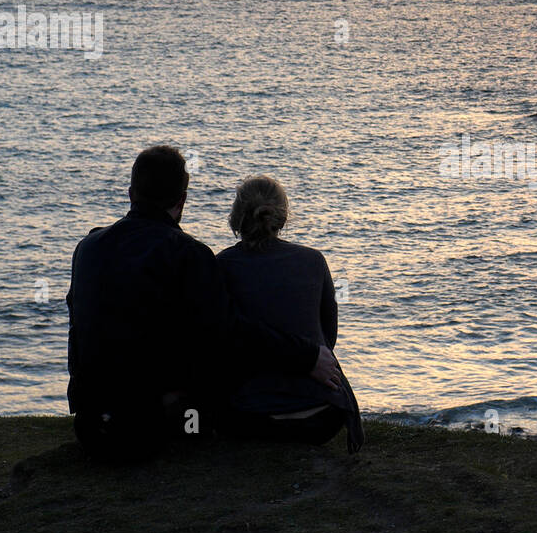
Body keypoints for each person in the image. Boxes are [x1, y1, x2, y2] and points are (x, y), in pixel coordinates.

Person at [66, 146, 343, 461]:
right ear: (182, 200)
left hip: (90, 426)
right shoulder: (187, 254)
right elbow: (229, 332)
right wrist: (307, 356)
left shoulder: (87, 249)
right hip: (153, 426)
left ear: (131, 193)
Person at [216, 175, 364, 453]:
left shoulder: (221, 266)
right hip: (321, 415)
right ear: (281, 218)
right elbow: (327, 338)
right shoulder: (313, 260)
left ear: (237, 217)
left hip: (251, 417)